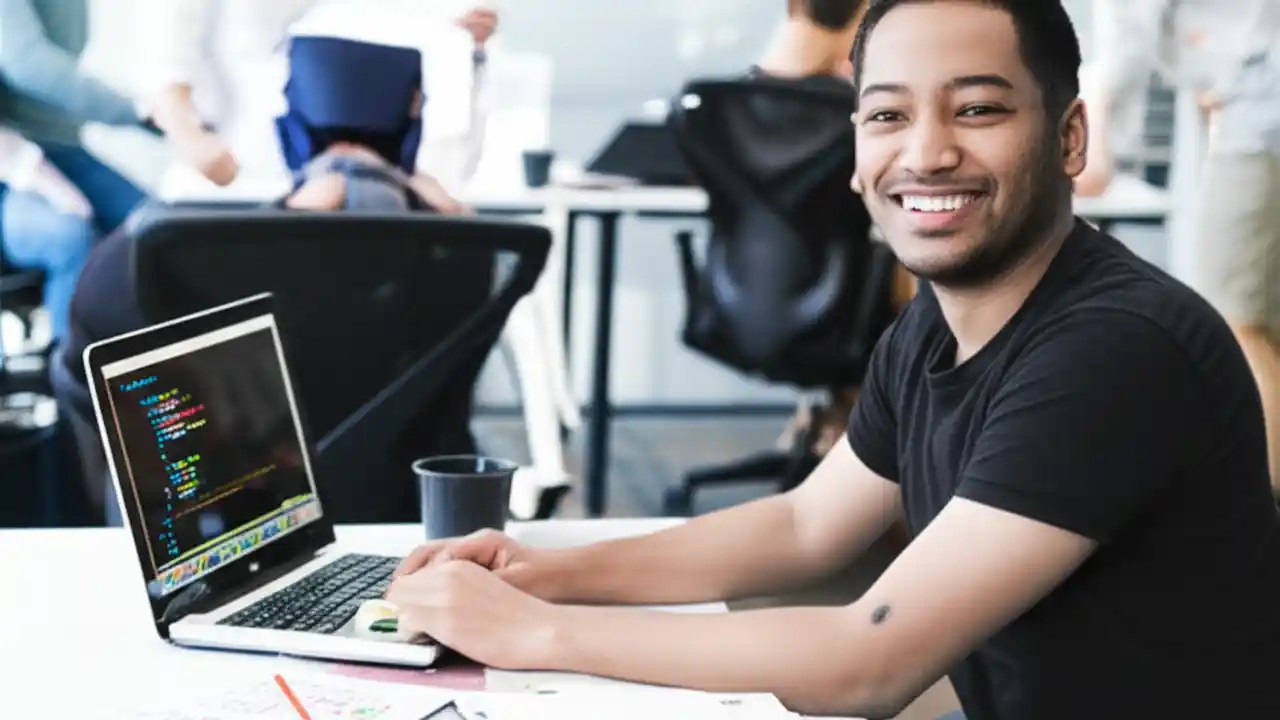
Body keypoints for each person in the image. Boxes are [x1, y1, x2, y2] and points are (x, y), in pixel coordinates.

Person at [384, 1, 1280, 718]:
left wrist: (538, 633)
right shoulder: (937, 324)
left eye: (977, 108)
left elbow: (868, 664)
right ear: (856, 151)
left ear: (1070, 139)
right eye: (888, 114)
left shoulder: (1113, 349)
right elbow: (804, 528)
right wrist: (546, 571)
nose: (926, 152)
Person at [1076, 0, 1280, 495]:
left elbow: (1129, 41)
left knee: (1238, 322)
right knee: (1262, 323)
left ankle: (1260, 506)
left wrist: (1095, 145)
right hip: (1252, 107)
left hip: (1259, 118)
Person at [141, 0, 499, 195]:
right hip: (236, 170)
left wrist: (461, 29)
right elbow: (166, 65)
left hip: (344, 175)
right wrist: (190, 138)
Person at [0, 0, 147, 341]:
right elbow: (28, 64)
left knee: (155, 229)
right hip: (10, 173)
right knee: (66, 234)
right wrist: (39, 176)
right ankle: (72, 379)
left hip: (58, 149)